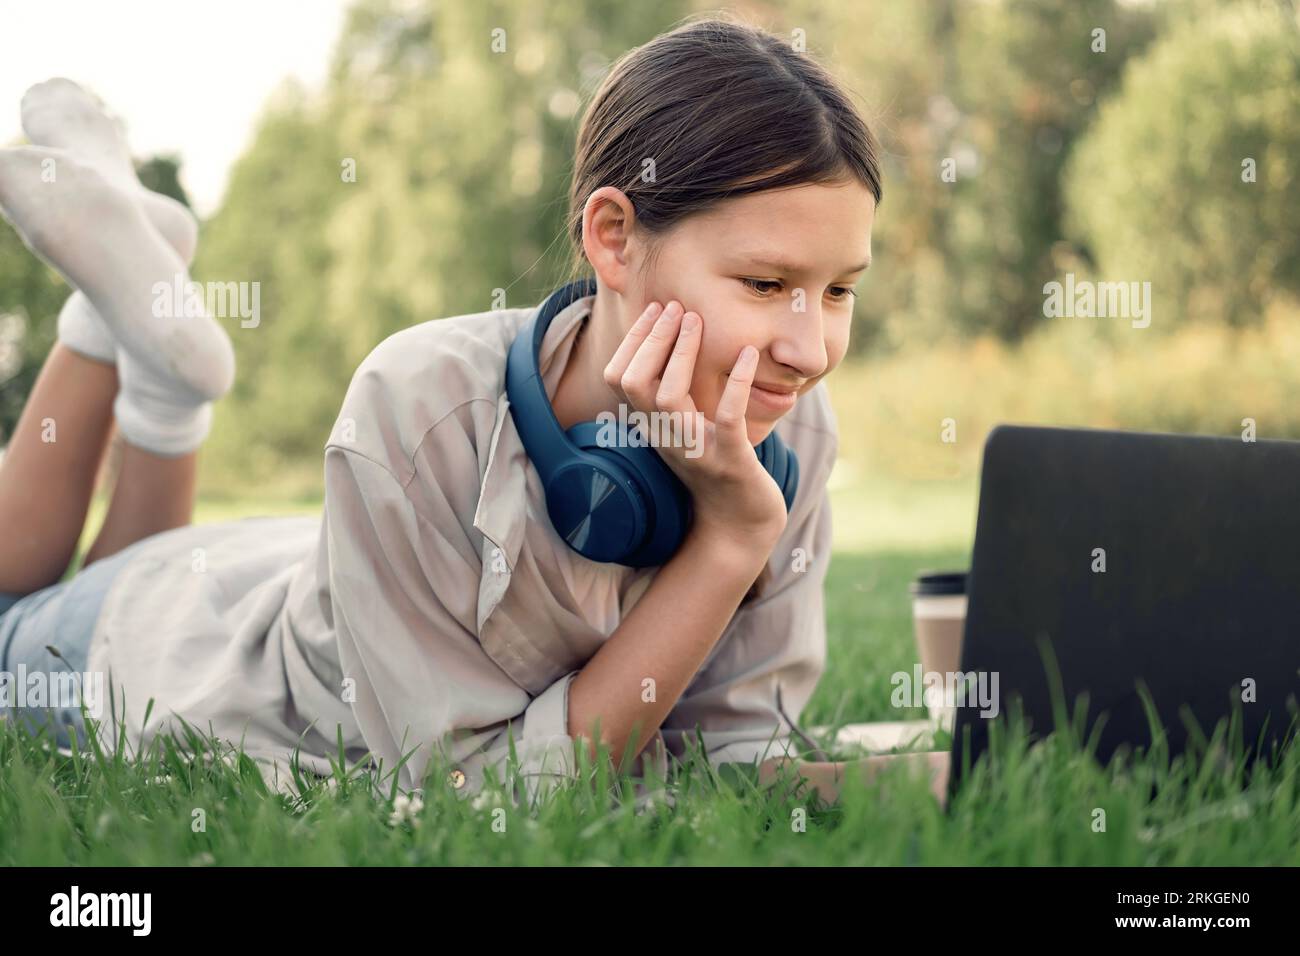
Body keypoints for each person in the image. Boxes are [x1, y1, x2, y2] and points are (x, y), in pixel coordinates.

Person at [0, 15, 948, 808]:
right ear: (614, 239)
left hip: (269, 572)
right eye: (766, 281)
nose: (810, 348)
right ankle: (117, 343)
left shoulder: (789, 427)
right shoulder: (419, 409)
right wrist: (731, 542)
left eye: (837, 293)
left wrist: (929, 781)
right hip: (171, 653)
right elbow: (484, 793)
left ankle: (161, 376)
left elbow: (725, 763)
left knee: (111, 559)